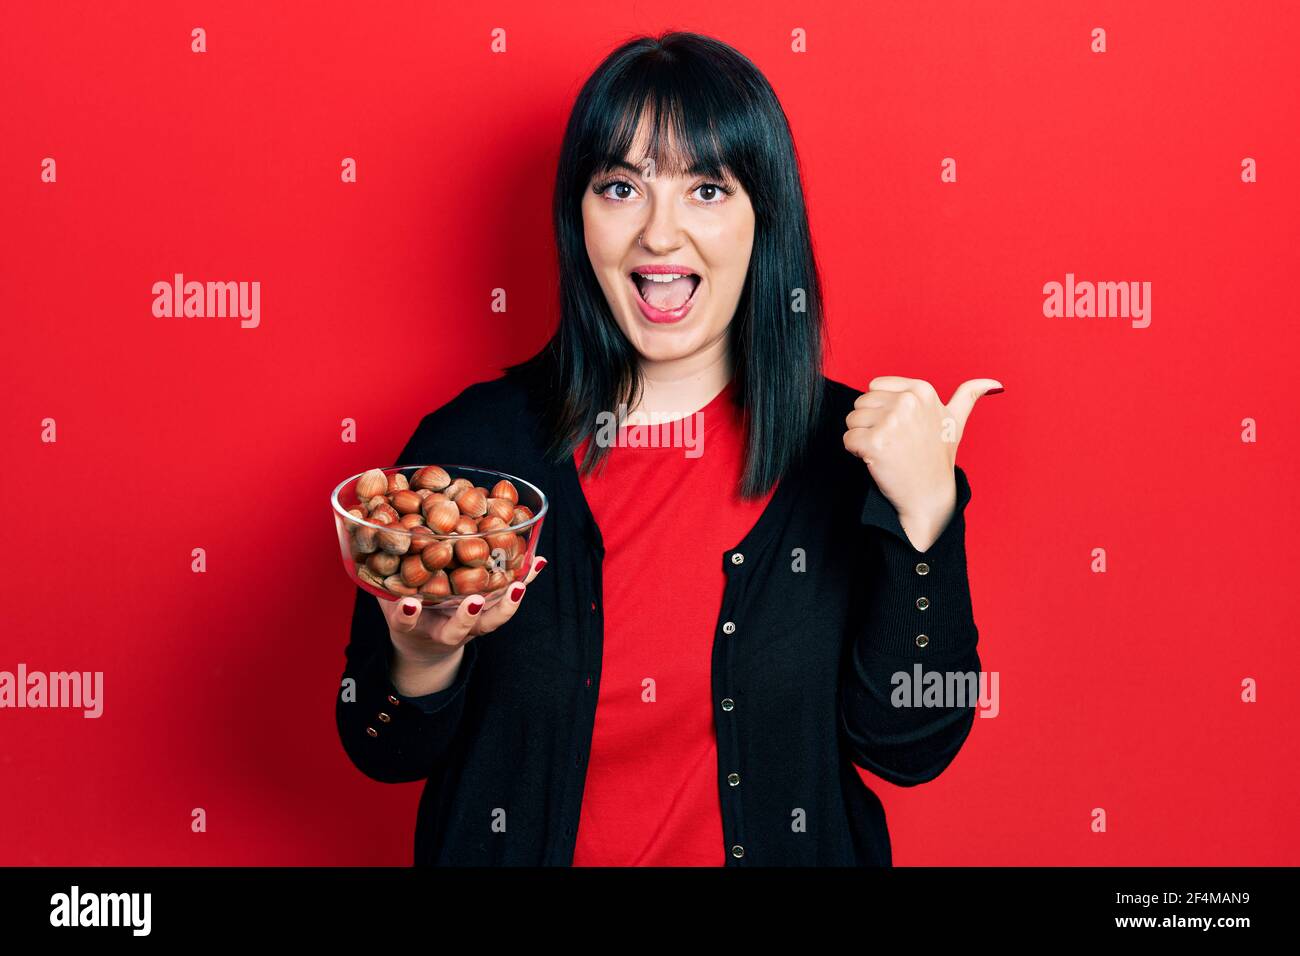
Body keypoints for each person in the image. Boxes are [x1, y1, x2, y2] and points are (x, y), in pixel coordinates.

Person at [336, 30, 1001, 866]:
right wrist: (420, 651)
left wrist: (926, 519)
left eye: (708, 190)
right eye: (620, 187)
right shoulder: (471, 451)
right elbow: (380, 746)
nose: (659, 233)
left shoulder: (850, 453)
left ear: (767, 219)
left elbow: (911, 747)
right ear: (578, 216)